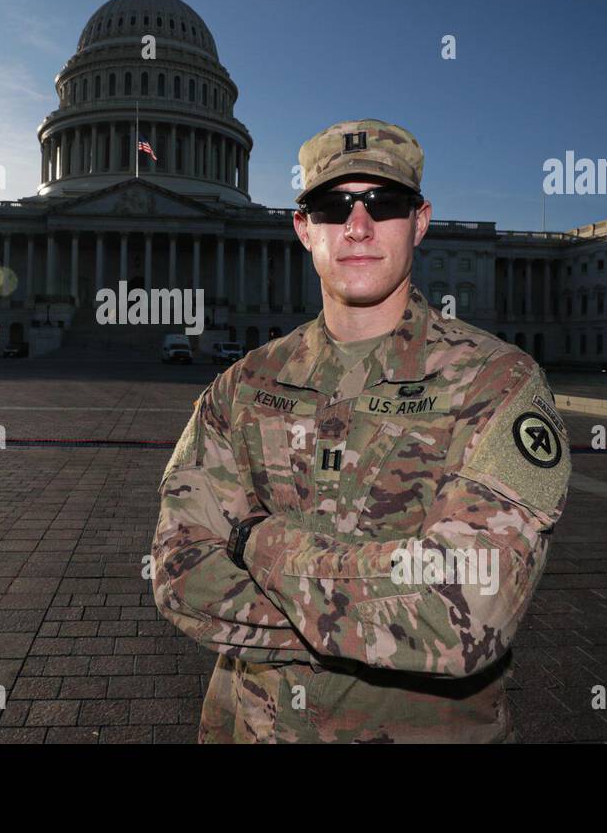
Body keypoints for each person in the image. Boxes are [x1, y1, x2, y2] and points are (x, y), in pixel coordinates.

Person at [151, 118, 571, 742]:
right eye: (332, 205)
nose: (358, 226)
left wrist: (256, 542)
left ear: (420, 222)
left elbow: (462, 615)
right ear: (304, 228)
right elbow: (179, 572)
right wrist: (372, 608)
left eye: (385, 203)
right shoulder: (243, 385)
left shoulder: (497, 383)